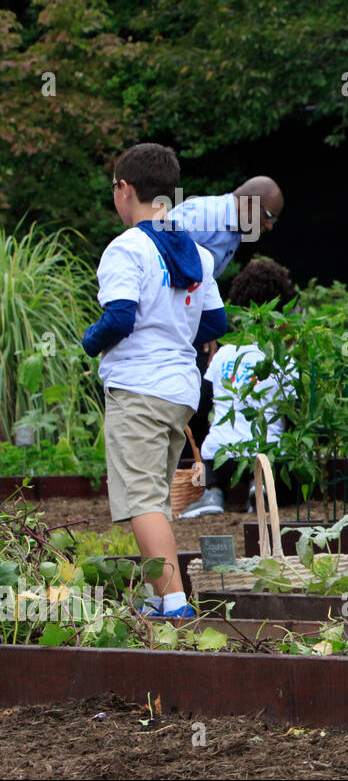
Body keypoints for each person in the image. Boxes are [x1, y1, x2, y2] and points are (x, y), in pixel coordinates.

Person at [81, 143, 227, 619]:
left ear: (124, 189)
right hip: (181, 392)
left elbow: (120, 316)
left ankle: (175, 604)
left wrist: (88, 341)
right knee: (157, 499)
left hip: (139, 388)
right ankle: (153, 598)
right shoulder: (197, 253)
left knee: (142, 500)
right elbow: (214, 323)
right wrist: (175, 333)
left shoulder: (127, 247)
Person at [165, 176, 285, 463]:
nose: (268, 226)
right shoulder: (202, 216)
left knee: (194, 392)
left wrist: (205, 324)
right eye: (268, 217)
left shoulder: (232, 233)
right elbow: (157, 256)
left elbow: (202, 283)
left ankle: (191, 476)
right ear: (247, 203)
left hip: (186, 325)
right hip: (166, 325)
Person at [179, 259, 298, 518]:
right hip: (268, 456)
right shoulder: (282, 357)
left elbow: (203, 407)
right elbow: (292, 416)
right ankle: (262, 486)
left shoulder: (225, 353)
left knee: (216, 440)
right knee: (281, 451)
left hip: (221, 457)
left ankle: (213, 492)